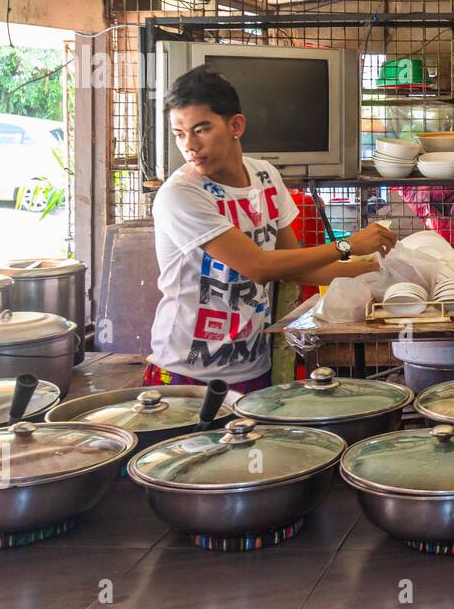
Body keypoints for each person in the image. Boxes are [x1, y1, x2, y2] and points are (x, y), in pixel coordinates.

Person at [147, 65, 396, 393]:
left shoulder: (264, 176)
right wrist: (348, 245)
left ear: (236, 125)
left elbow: (293, 266)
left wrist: (382, 273)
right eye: (180, 134)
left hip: (253, 367)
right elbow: (259, 268)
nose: (189, 145)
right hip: (185, 374)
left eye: (201, 129)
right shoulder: (182, 194)